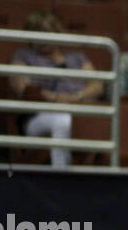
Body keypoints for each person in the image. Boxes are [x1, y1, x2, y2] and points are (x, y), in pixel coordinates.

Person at [9, 10, 105, 167]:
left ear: (57, 32)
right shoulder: (23, 56)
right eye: (36, 32)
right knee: (62, 120)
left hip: (80, 111)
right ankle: (60, 173)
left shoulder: (77, 57)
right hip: (40, 117)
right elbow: (23, 88)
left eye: (47, 32)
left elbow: (97, 86)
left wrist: (73, 98)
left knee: (100, 120)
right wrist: (54, 98)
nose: (42, 38)